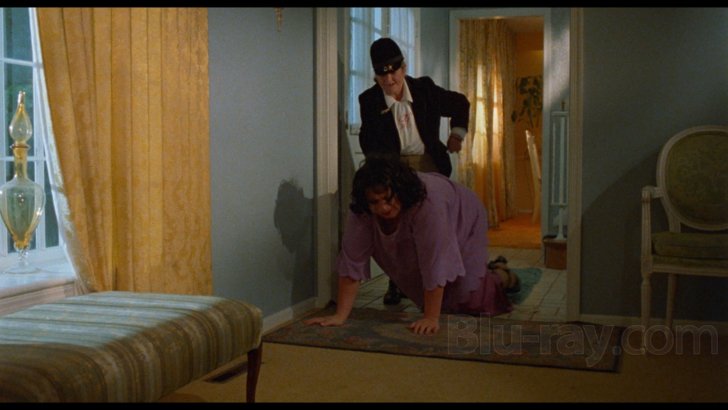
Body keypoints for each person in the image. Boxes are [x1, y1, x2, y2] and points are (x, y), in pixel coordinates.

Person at [304, 155, 519, 335]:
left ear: (400, 191)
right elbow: (352, 260)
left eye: (388, 199)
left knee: (471, 298)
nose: (383, 208)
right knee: (443, 300)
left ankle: (502, 276)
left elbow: (435, 259)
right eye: (375, 202)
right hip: (425, 220)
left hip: (463, 213)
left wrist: (431, 318)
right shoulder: (361, 210)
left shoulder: (428, 204)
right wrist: (340, 315)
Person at [358, 37, 471, 305]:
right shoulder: (369, 100)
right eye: (381, 75)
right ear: (375, 76)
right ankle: (398, 282)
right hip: (395, 168)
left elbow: (460, 103)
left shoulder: (424, 89)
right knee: (398, 228)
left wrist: (456, 134)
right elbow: (368, 141)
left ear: (403, 68)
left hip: (429, 164)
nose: (389, 80)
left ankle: (441, 281)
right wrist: (382, 173)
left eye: (393, 72)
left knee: (434, 226)